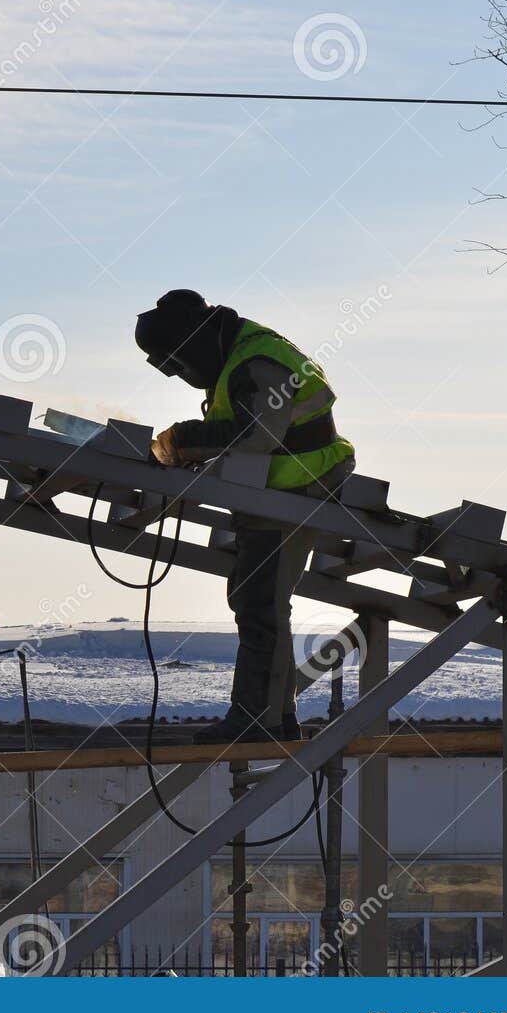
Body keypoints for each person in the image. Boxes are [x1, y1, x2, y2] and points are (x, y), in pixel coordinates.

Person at [134, 290, 355, 744]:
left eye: (178, 363)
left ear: (192, 342)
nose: (182, 375)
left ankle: (260, 721)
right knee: (255, 600)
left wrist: (184, 439)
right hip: (279, 490)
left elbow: (257, 434)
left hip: (296, 486)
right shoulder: (240, 354)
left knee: (261, 604)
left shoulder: (258, 360)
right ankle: (273, 717)